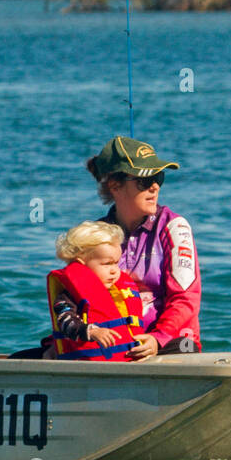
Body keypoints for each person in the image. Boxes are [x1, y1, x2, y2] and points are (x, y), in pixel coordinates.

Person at [86, 135, 201, 358]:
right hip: (116, 344)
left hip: (173, 344)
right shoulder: (96, 235)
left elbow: (186, 299)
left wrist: (158, 338)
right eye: (145, 180)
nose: (155, 187)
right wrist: (60, 344)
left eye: (158, 177)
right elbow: (78, 296)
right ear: (115, 186)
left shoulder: (175, 228)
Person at [46, 221, 144, 360]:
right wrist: (90, 332)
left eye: (116, 263)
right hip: (87, 363)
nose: (114, 270)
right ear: (81, 264)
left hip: (128, 358)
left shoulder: (118, 290)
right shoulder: (69, 295)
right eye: (107, 264)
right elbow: (65, 321)